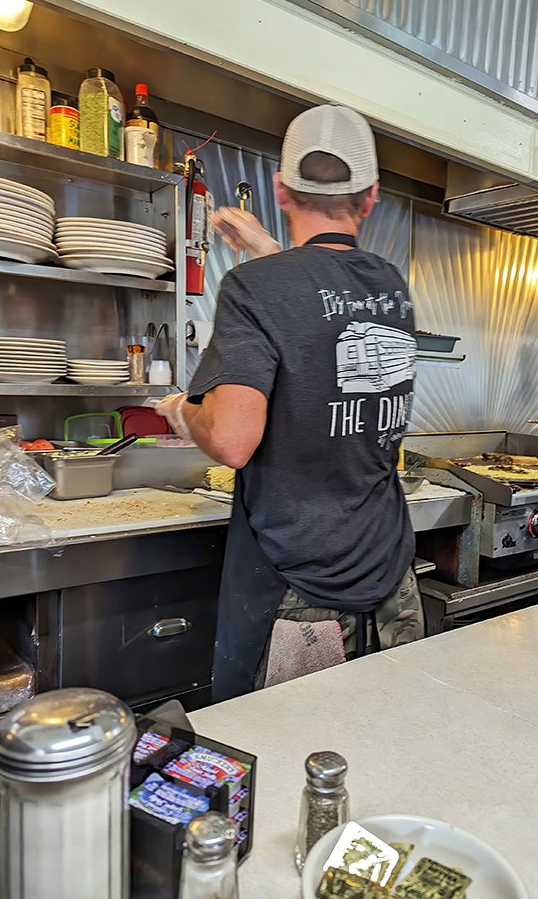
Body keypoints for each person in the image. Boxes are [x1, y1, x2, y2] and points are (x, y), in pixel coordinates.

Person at [157, 104, 424, 702]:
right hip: (391, 583)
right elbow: (322, 303)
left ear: (280, 190)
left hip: (299, 596)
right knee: (390, 747)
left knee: (291, 766)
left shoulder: (256, 289)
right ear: (371, 196)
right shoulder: (391, 286)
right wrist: (270, 253)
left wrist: (182, 411)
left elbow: (231, 439)